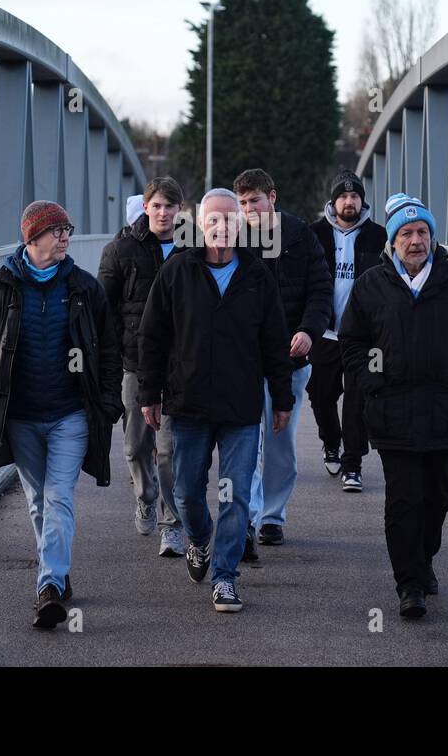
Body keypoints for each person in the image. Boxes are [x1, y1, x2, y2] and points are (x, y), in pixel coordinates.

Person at [0, 200, 123, 629]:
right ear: (32, 239)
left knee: (59, 496)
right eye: (56, 230)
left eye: (67, 229)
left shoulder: (85, 289)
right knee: (37, 501)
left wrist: (106, 403)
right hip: (21, 416)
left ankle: (48, 584)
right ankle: (58, 571)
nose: (65, 236)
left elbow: (108, 351)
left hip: (71, 414)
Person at [339, 193, 448, 619]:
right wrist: (373, 382)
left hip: (444, 409)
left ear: (432, 237)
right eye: (406, 233)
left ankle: (424, 560)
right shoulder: (372, 284)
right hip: (392, 411)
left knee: (436, 499)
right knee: (403, 498)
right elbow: (352, 341)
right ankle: (409, 584)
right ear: (392, 243)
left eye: (422, 232)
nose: (415, 241)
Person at [137, 189, 293, 613]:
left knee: (235, 494)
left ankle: (225, 576)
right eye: (214, 219)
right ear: (199, 224)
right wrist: (149, 393)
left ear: (240, 226)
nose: (222, 226)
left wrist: (282, 397)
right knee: (185, 491)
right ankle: (200, 539)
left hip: (240, 407)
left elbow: (275, 343)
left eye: (230, 219)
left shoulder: (258, 276)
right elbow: (152, 337)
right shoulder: (177, 271)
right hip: (187, 405)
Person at [232, 168, 332, 556]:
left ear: (271, 197)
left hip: (289, 359)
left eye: (254, 200)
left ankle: (273, 516)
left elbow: (321, 290)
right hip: (243, 359)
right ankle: (249, 517)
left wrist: (310, 331)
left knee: (279, 441)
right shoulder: (233, 238)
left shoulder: (300, 236)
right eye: (241, 203)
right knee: (244, 442)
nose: (248, 208)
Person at [97, 176, 187, 556]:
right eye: (157, 205)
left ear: (180, 210)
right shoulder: (121, 249)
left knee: (170, 451)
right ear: (145, 207)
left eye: (170, 206)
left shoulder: (194, 247)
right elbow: (104, 308)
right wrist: (118, 350)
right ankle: (146, 495)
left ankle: (173, 523)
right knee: (136, 446)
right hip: (135, 363)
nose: (163, 213)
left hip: (182, 365)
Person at [307, 169, 387, 492]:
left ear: (362, 200)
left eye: (355, 196)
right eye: (343, 196)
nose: (349, 201)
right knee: (320, 395)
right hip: (325, 332)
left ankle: (352, 465)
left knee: (358, 399)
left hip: (363, 336)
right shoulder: (314, 234)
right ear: (333, 200)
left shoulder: (379, 236)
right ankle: (331, 442)